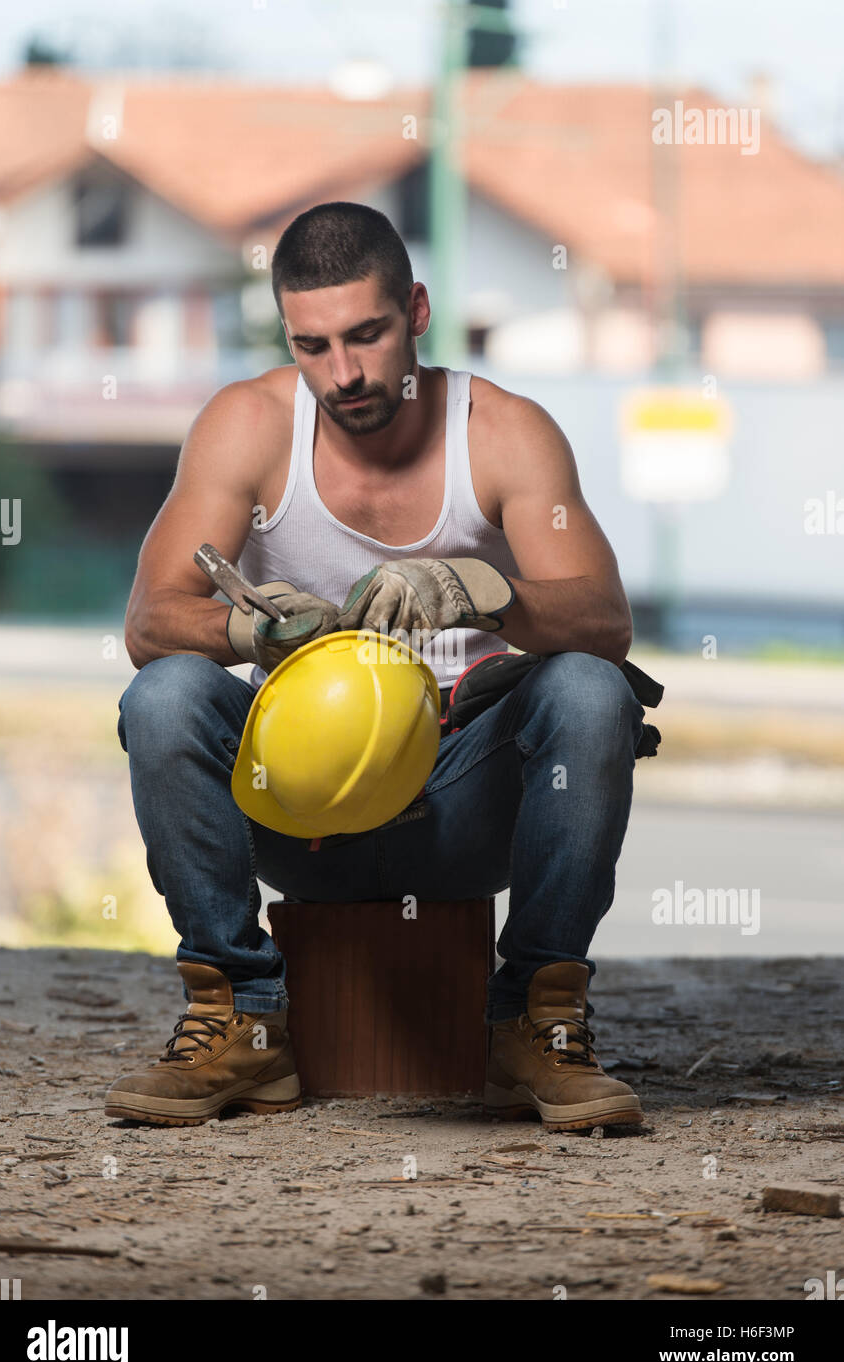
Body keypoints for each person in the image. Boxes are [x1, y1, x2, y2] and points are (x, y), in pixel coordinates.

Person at [107, 201, 650, 1132]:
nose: (344, 373)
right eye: (312, 345)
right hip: (301, 808)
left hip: (459, 804)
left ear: (419, 312)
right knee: (165, 697)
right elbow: (150, 623)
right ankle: (238, 1018)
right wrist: (249, 638)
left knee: (590, 690)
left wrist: (481, 587)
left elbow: (605, 619)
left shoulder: (505, 431)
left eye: (366, 334)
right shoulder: (246, 425)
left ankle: (535, 1022)